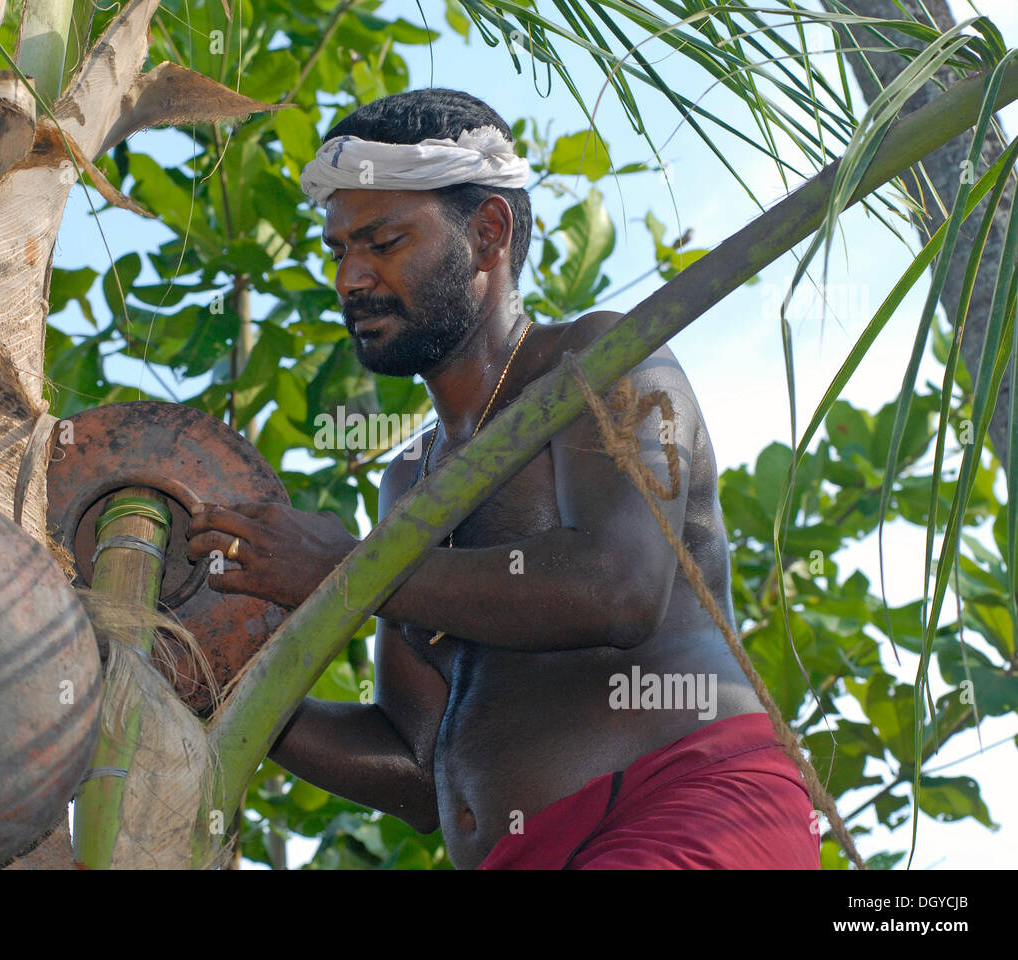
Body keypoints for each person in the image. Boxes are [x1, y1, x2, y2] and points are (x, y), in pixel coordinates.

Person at [186, 88, 820, 870]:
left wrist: (342, 573)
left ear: (488, 233)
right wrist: (208, 680)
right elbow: (419, 768)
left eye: (383, 241)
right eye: (339, 250)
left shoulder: (602, 358)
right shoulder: (410, 481)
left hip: (683, 807)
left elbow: (620, 587)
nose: (351, 278)